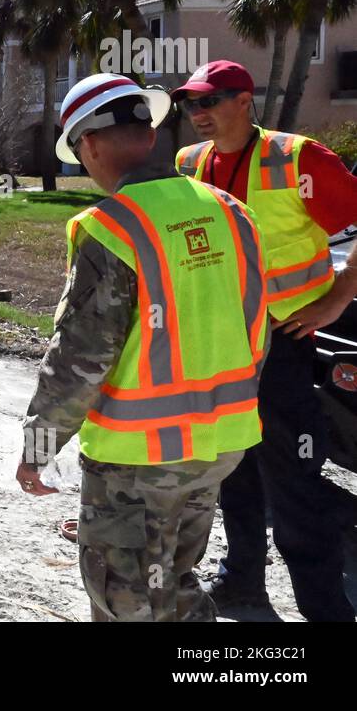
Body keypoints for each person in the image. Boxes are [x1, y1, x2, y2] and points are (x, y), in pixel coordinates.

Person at [18, 74, 268, 622]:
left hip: (137, 459)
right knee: (175, 576)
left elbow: (79, 360)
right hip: (220, 445)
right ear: (149, 136)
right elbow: (254, 326)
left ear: (88, 144)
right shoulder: (233, 212)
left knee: (123, 597)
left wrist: (38, 447)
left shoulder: (111, 228)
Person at [171, 59, 357, 622]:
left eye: (211, 101)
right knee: (235, 470)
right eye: (192, 103)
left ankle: (326, 611)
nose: (199, 113)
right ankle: (242, 582)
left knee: (295, 487)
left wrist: (339, 297)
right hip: (224, 347)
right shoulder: (190, 164)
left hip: (285, 346)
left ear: (245, 100)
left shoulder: (298, 158)